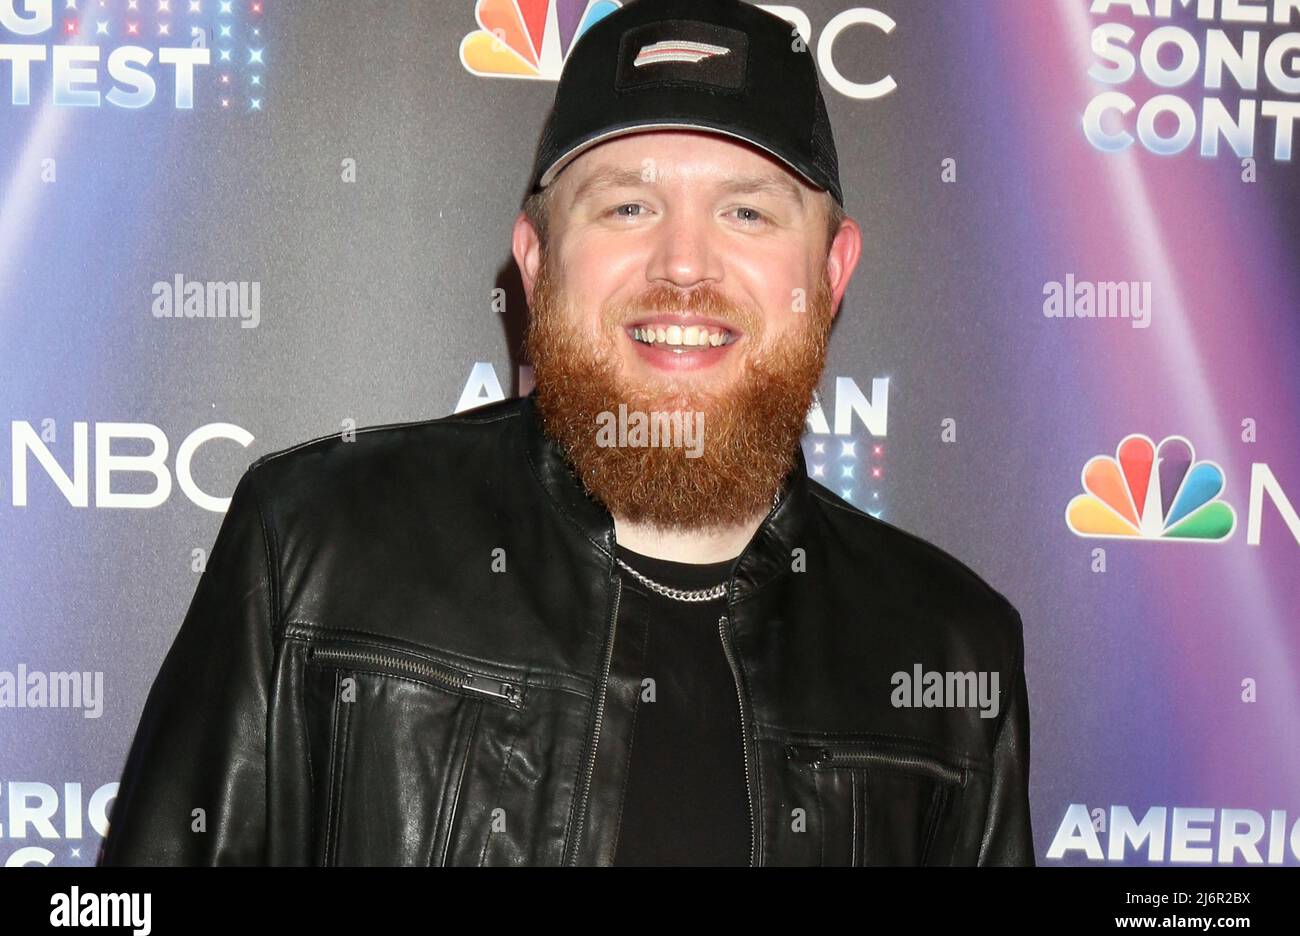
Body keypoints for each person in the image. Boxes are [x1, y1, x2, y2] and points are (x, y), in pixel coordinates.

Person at [99, 0, 1033, 867]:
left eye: (746, 211)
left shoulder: (949, 649)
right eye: (628, 206)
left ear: (831, 272)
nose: (683, 265)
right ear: (538, 261)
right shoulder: (311, 547)